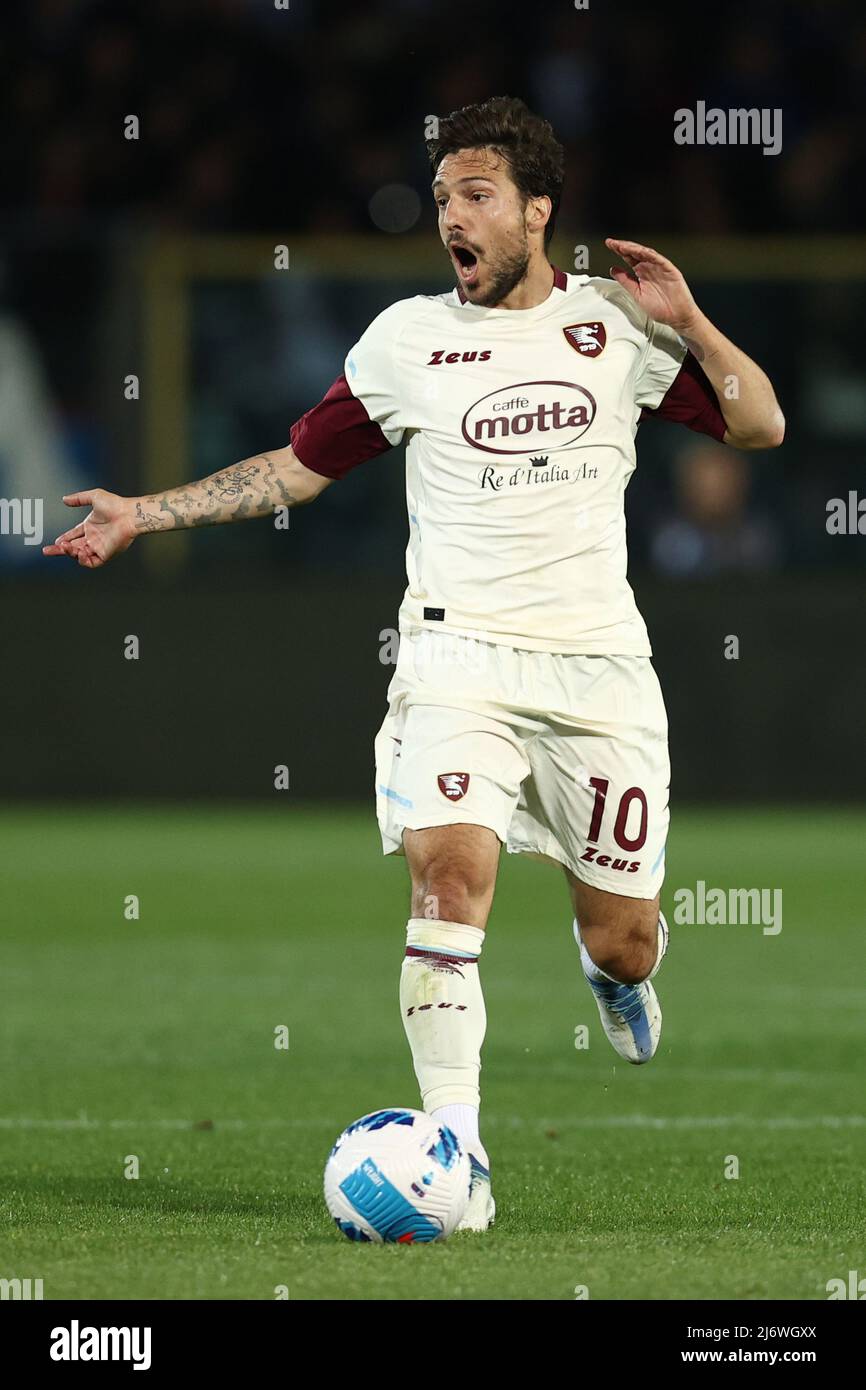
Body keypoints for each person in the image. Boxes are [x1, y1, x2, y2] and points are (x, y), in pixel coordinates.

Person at [44, 96, 785, 1233]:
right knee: (446, 881)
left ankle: (618, 975)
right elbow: (295, 469)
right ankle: (460, 1152)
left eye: (476, 195)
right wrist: (142, 513)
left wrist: (688, 317)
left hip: (597, 673)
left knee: (619, 933)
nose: (452, 215)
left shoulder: (614, 331)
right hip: (455, 659)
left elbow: (759, 427)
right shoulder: (403, 342)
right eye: (442, 196)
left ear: (537, 212)